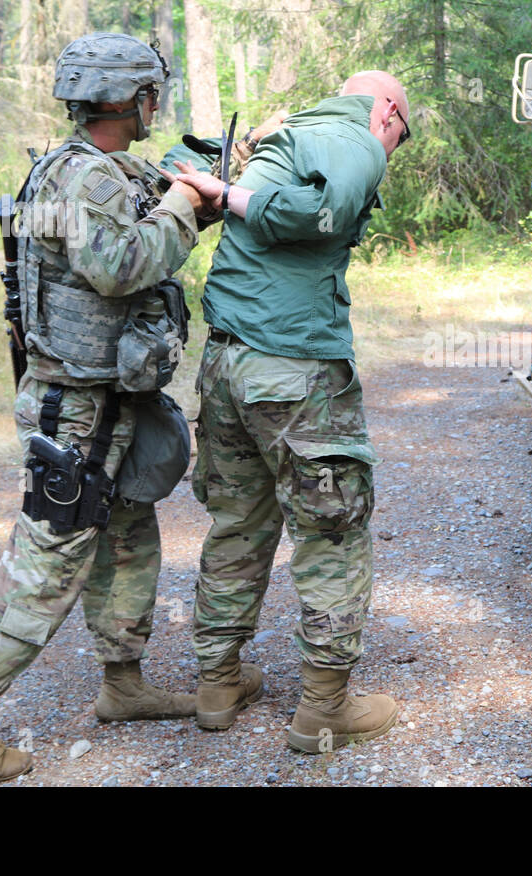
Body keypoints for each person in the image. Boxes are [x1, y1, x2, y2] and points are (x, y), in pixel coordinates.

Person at [0, 33, 206, 782]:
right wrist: (180, 203)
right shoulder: (85, 180)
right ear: (134, 99)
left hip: (105, 397)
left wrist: (195, 188)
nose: (156, 108)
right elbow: (120, 265)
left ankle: (124, 682)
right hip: (75, 409)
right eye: (151, 95)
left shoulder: (93, 169)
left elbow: (152, 212)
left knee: (128, 538)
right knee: (48, 556)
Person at [170, 70, 407, 751]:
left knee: (238, 520)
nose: (393, 148)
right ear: (386, 110)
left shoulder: (287, 136)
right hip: (293, 370)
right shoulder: (353, 136)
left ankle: (218, 683)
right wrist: (229, 194)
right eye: (400, 134)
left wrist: (234, 190)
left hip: (226, 363)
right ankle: (324, 708)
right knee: (332, 528)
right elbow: (317, 214)